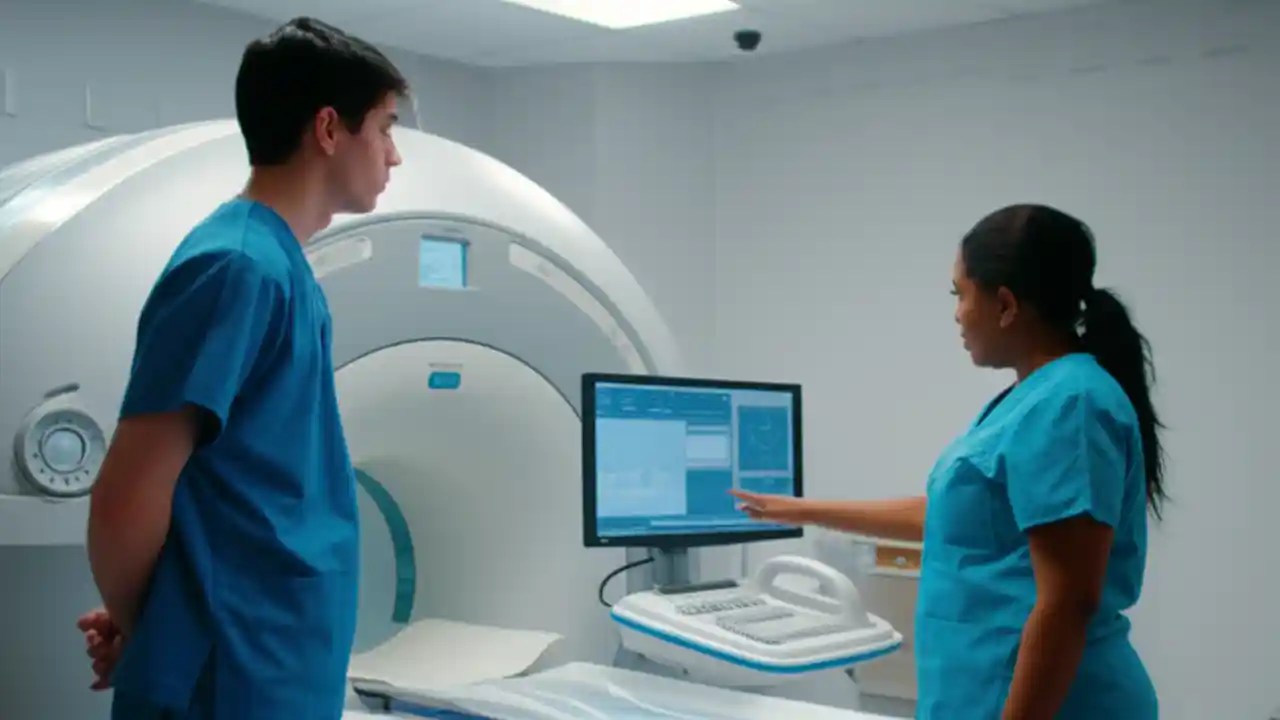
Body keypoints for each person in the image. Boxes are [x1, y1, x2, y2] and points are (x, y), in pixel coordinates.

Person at [75, 16, 406, 719]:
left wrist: (153, 618)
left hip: (273, 662)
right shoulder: (235, 268)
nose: (393, 154)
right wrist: (150, 625)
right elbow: (127, 492)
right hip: (231, 673)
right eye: (383, 127)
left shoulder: (281, 268)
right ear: (327, 129)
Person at [732, 204, 1164, 720]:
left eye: (960, 294)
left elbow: (1068, 603)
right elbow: (956, 519)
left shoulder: (1070, 404)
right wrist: (798, 509)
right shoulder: (1032, 398)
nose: (957, 313)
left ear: (1004, 304)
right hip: (983, 693)